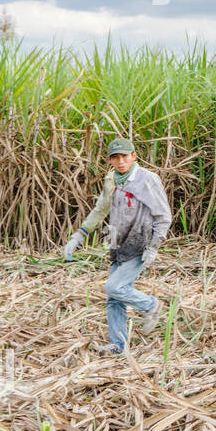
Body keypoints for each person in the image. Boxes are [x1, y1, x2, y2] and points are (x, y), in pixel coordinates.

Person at [63, 137, 172, 355]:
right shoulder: (112, 179)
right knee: (113, 299)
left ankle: (151, 305)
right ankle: (119, 346)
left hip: (140, 243)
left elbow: (164, 216)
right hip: (118, 243)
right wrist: (79, 236)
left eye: (124, 156)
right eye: (116, 157)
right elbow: (100, 210)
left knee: (114, 287)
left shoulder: (147, 179)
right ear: (110, 160)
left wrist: (154, 246)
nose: (121, 161)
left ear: (133, 156)